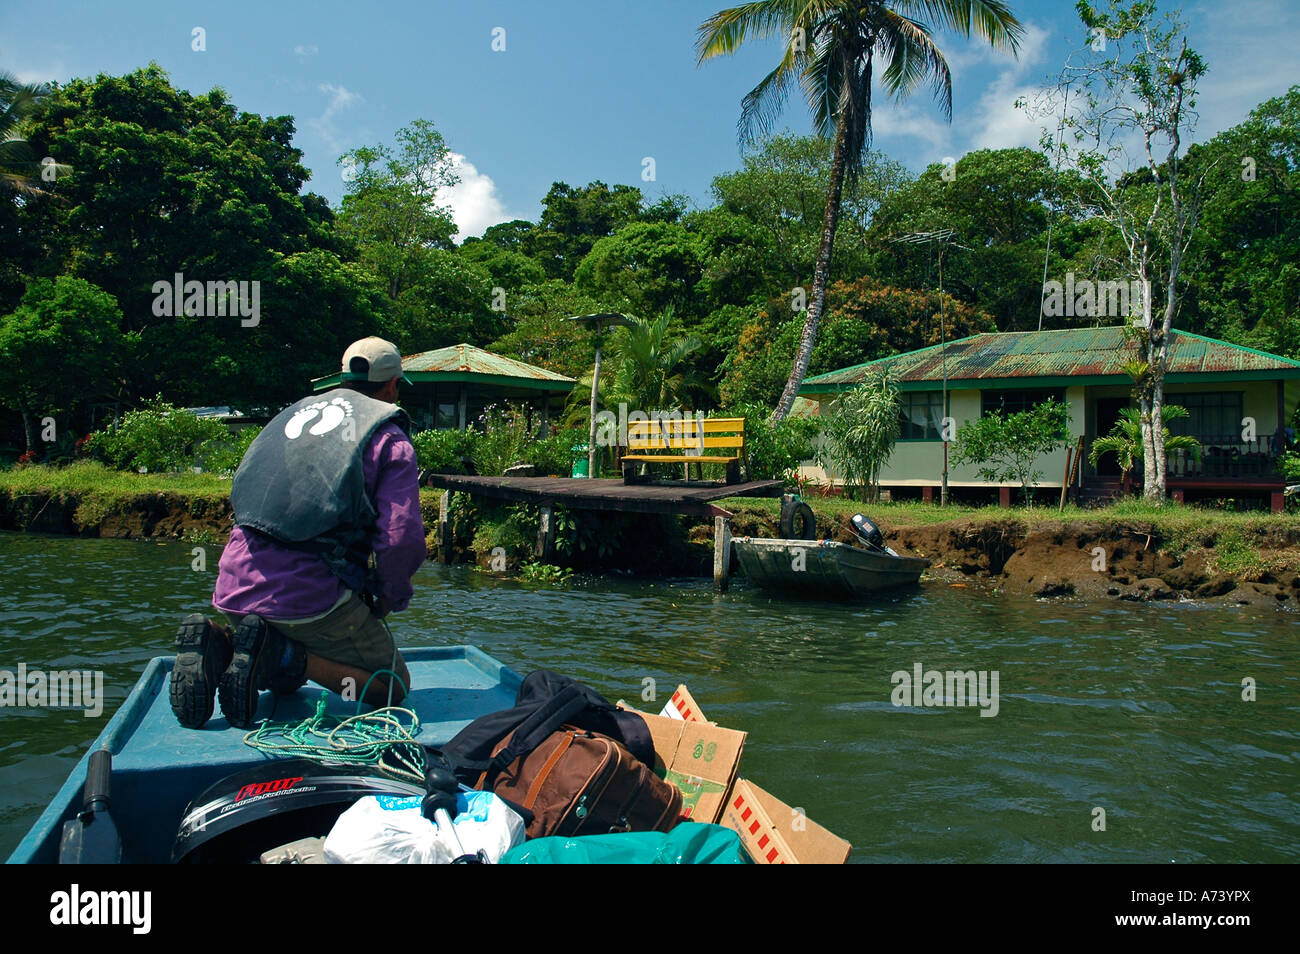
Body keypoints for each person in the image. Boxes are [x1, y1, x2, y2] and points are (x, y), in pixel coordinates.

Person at [170, 337, 426, 729]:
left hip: (234, 585)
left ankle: (223, 643)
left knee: (285, 683)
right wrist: (391, 597)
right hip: (309, 600)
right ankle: (286, 656)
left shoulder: (291, 416)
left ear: (342, 377)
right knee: (391, 687)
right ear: (392, 387)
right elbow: (400, 540)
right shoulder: (388, 439)